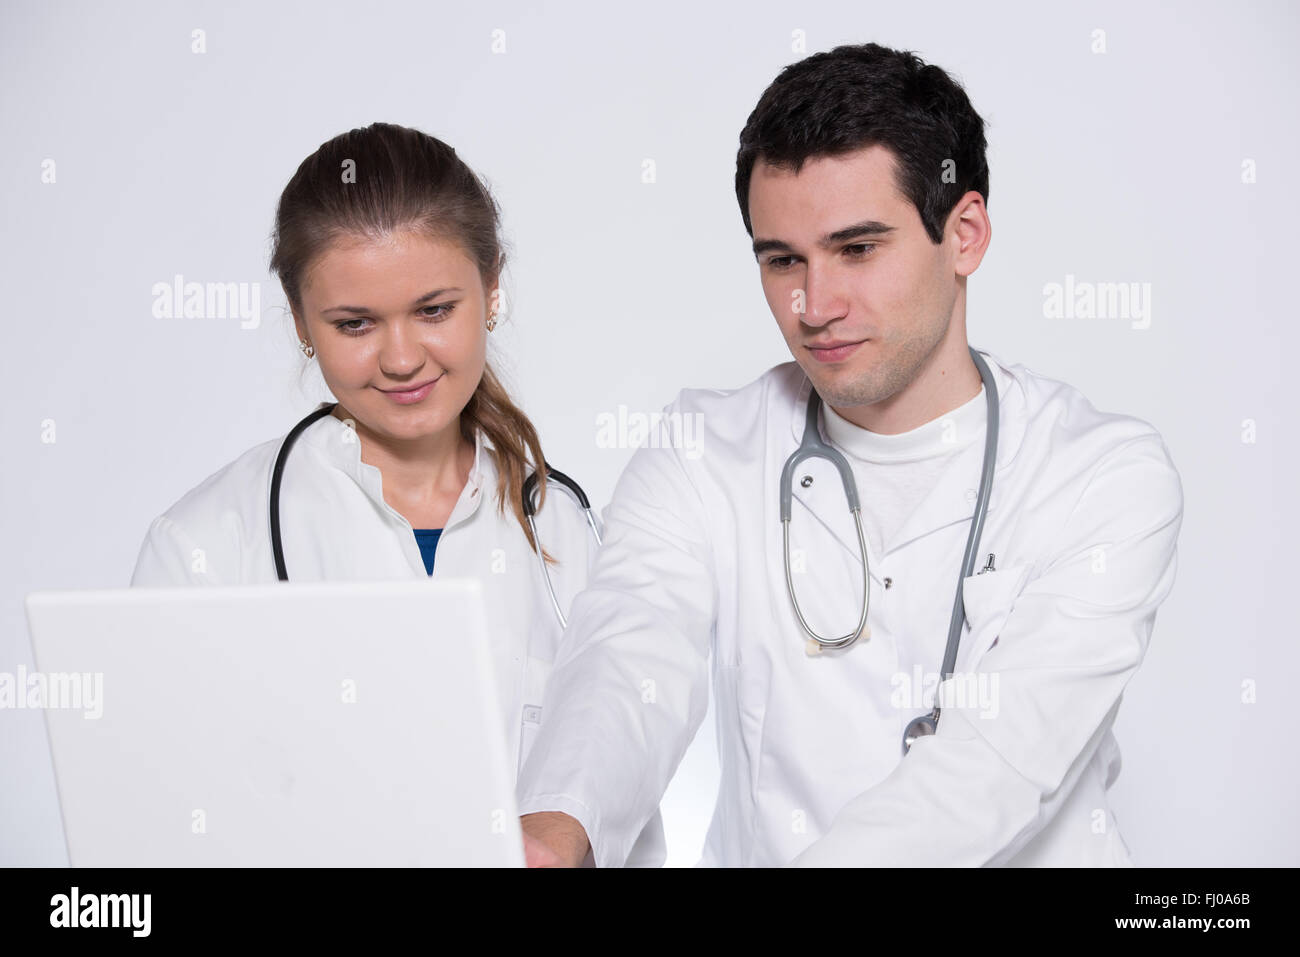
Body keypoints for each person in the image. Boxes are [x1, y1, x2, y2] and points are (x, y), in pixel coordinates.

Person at [516, 44, 1184, 867]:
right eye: (782, 259)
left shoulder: (1101, 475)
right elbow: (628, 649)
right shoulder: (702, 455)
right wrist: (558, 827)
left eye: (858, 248)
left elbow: (998, 763)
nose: (814, 304)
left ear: (964, 234)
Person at [129, 122, 664, 866]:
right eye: (355, 323)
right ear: (299, 322)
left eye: (434, 309)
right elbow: (150, 829)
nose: (403, 357)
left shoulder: (570, 538)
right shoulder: (206, 545)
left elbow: (619, 811)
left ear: (493, 284)